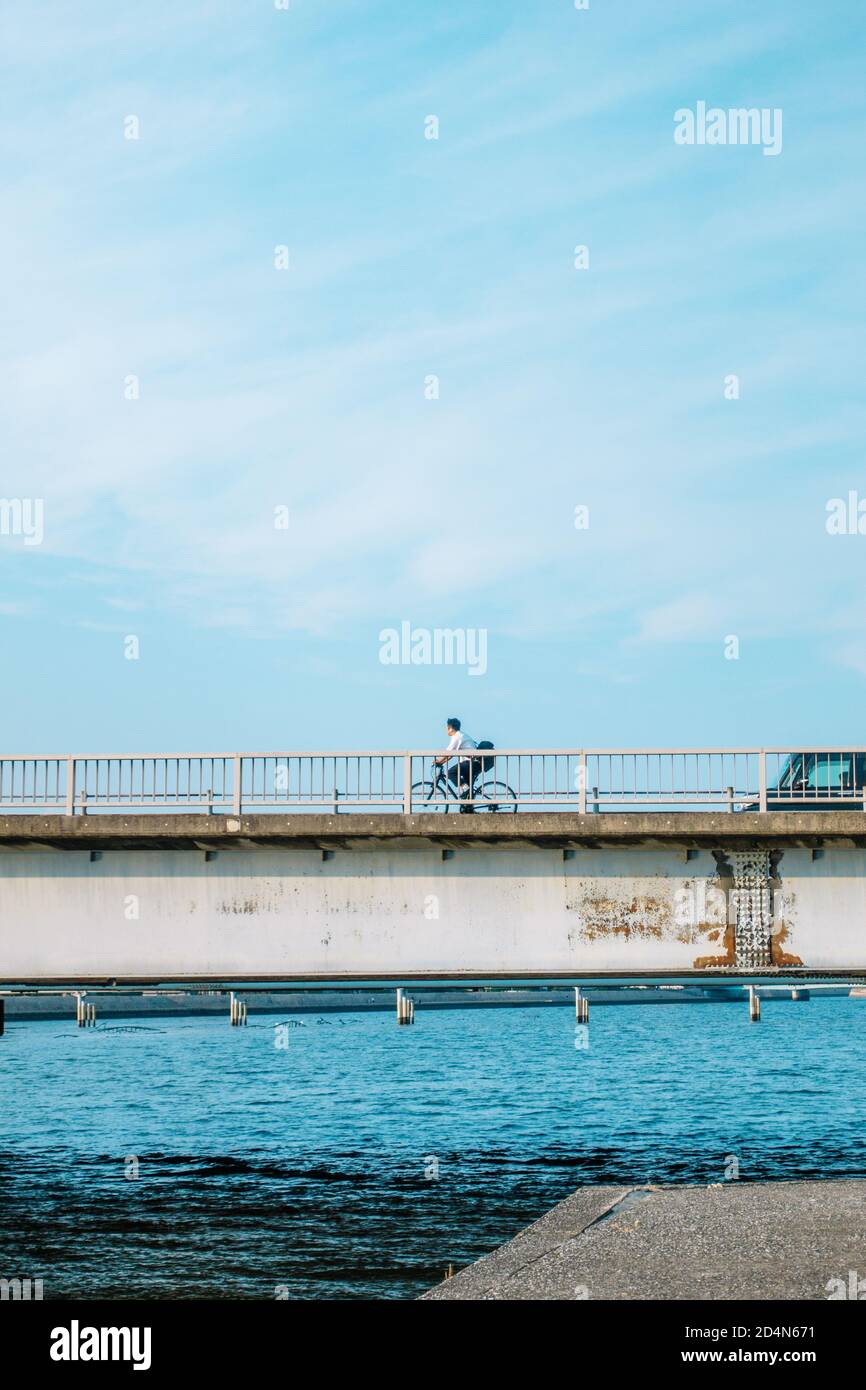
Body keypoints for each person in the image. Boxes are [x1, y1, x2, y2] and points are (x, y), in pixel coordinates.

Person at [434, 718, 478, 801]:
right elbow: (451, 755)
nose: (446, 730)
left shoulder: (457, 736)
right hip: (472, 763)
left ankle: (467, 789)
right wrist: (442, 762)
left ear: (450, 727)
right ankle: (468, 809)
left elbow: (449, 752)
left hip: (470, 763)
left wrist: (439, 761)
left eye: (447, 727)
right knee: (467, 793)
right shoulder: (460, 735)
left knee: (451, 773)